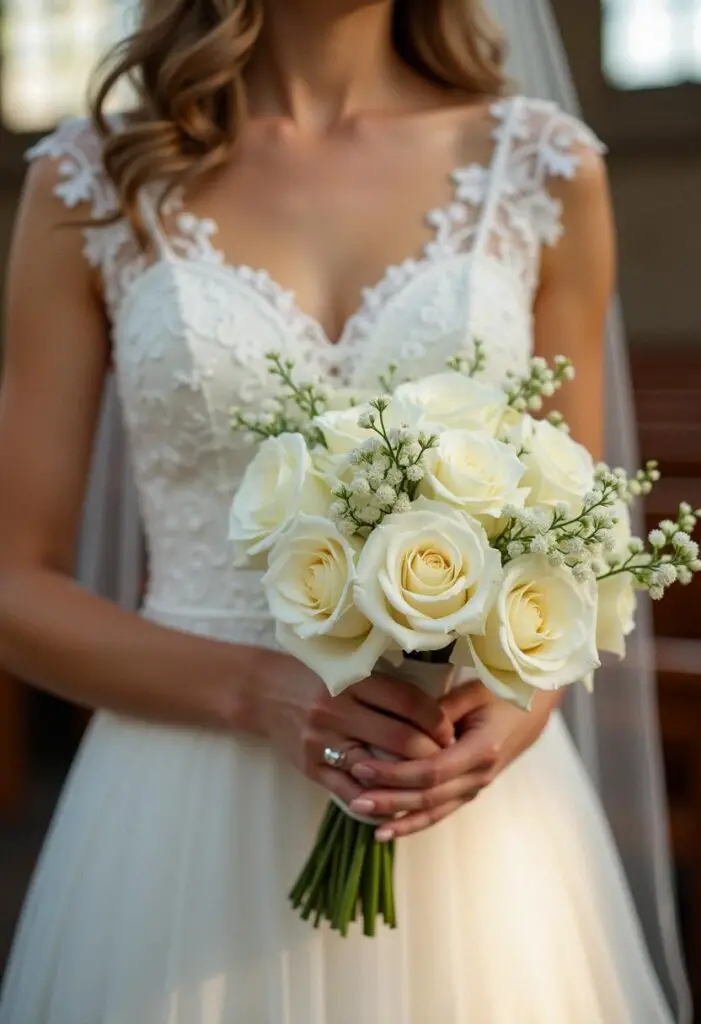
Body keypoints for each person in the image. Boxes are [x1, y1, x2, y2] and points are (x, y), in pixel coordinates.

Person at [0, 1, 687, 1021]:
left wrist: (506, 717)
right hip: (179, 804)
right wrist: (256, 690)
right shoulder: (91, 182)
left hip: (460, 823)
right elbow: (15, 578)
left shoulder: (542, 169)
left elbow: (576, 551)